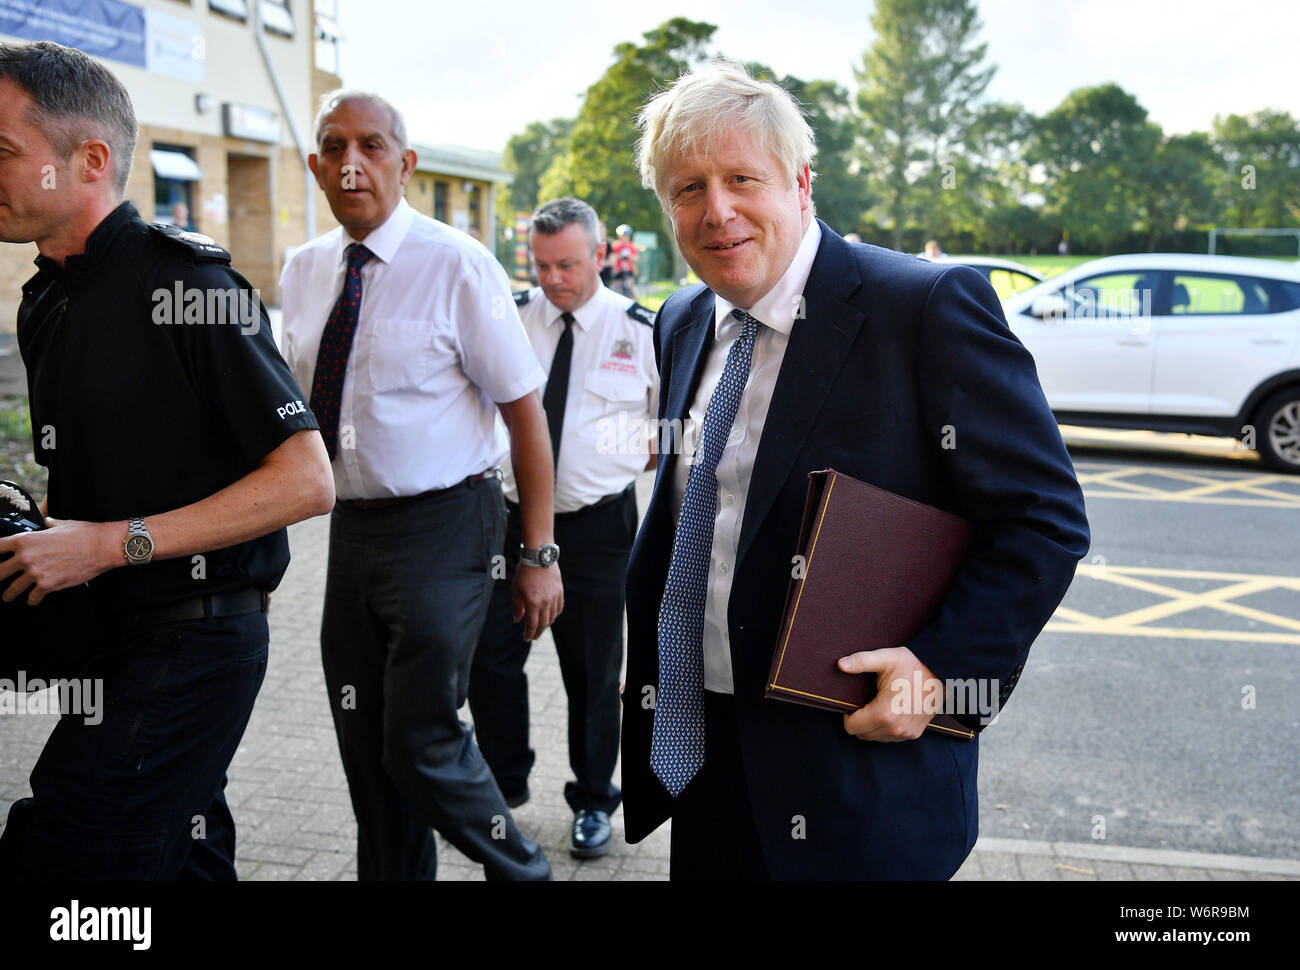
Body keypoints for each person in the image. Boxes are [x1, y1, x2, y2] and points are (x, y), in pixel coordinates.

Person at [623, 61, 1090, 880]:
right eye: (687, 189)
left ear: (801, 182)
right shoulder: (682, 316)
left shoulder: (925, 306)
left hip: (855, 773)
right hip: (703, 757)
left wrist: (942, 671)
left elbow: (1043, 521)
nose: (716, 210)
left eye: (741, 179)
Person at [0, 40, 335, 879]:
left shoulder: (189, 288)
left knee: (66, 856)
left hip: (196, 643)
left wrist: (111, 543)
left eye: (4, 152)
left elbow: (307, 479)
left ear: (89, 160)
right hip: (101, 640)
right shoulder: (44, 301)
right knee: (180, 856)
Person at [279, 89, 559, 881]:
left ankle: (524, 870)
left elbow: (526, 415)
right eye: (333, 148)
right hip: (350, 531)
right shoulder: (302, 274)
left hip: (447, 525)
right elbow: (285, 431)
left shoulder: (459, 263)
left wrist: (540, 552)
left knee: (420, 735)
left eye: (371, 146)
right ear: (315, 167)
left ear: (406, 165)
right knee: (367, 746)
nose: (351, 163)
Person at [469, 197, 657, 858]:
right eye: (542, 265)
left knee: (593, 670)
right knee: (490, 658)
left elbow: (664, 438)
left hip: (599, 528)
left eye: (567, 264)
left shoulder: (641, 330)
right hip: (508, 520)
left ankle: (594, 800)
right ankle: (502, 787)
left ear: (600, 256)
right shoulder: (510, 316)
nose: (552, 279)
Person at [609, 224, 639, 298]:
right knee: (617, 289)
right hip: (618, 270)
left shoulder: (631, 245)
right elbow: (613, 257)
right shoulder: (615, 245)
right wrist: (620, 256)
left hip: (628, 270)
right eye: (623, 235)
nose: (625, 237)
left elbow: (636, 257)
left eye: (627, 235)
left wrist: (628, 256)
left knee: (629, 287)